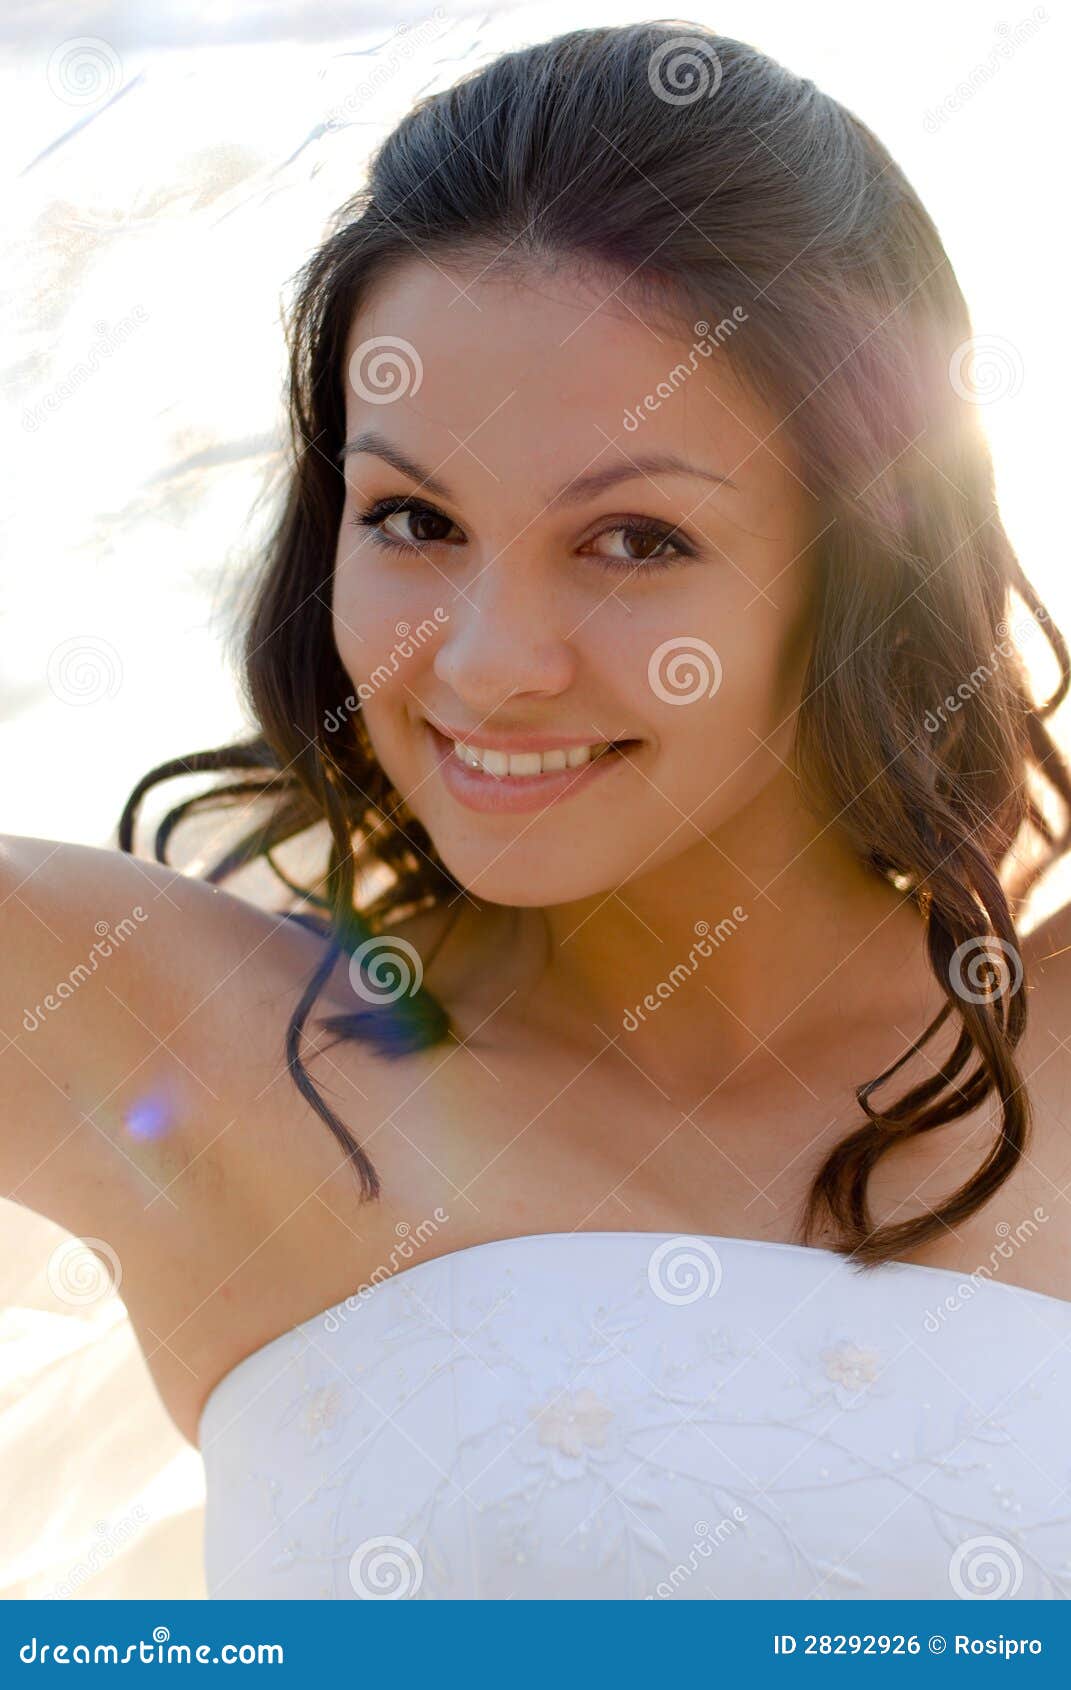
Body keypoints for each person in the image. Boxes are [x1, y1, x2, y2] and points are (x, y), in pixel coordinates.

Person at [4, 21, 1071, 1602]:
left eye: (635, 539)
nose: (491, 663)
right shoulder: (165, 1029)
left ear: (861, 568)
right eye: (414, 517)